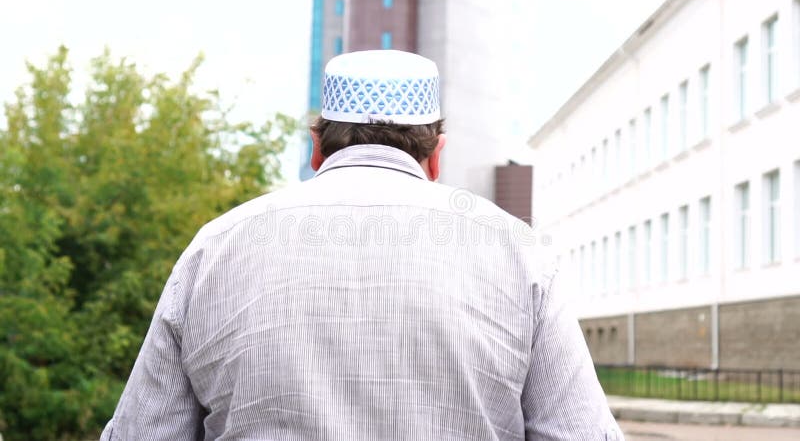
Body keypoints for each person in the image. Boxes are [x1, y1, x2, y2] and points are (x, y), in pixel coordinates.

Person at [101, 50, 623, 440]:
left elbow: (144, 432)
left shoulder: (215, 248)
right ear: (436, 155)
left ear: (316, 147)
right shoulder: (520, 254)